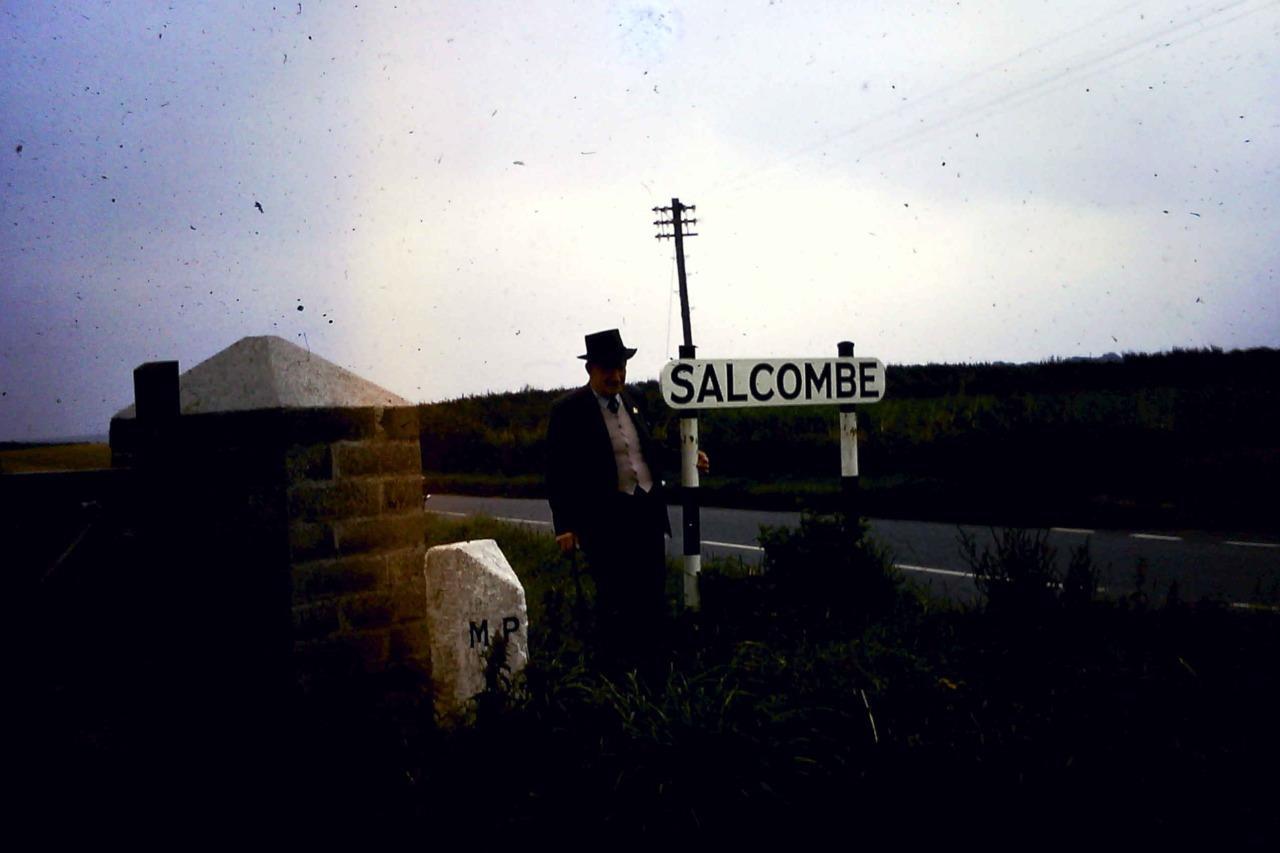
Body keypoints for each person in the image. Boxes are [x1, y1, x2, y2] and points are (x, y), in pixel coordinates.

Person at [546, 328, 707, 668]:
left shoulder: (634, 400)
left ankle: (654, 667)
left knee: (652, 593)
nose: (616, 376)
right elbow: (557, 472)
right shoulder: (567, 411)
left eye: (620, 367)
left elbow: (651, 450)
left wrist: (688, 455)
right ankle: (617, 672)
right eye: (608, 369)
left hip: (647, 511)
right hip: (605, 520)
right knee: (616, 599)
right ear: (590, 370)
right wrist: (565, 525)